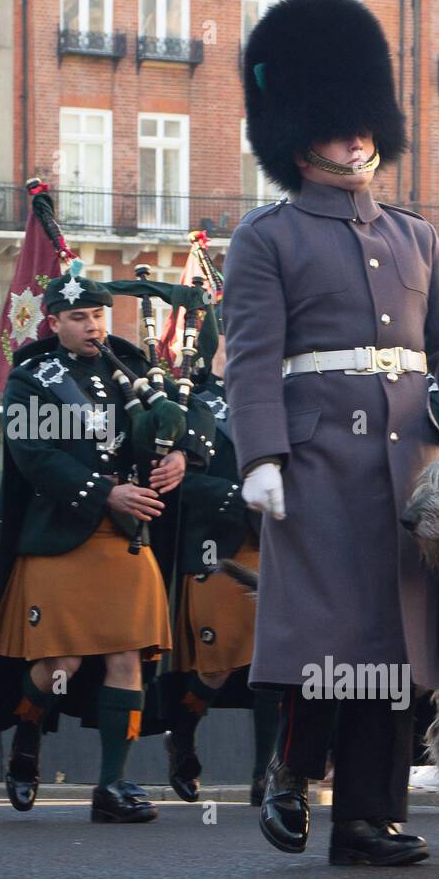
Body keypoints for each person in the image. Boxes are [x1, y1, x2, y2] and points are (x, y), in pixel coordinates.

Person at [230, 0, 439, 865]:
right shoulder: (267, 238)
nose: (355, 142)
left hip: (411, 468)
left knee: (400, 643)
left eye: (362, 127)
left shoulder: (415, 236)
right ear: (301, 137)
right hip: (318, 465)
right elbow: (252, 357)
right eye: (337, 129)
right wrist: (260, 455)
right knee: (330, 639)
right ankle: (293, 768)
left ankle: (367, 816)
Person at [0, 272, 200, 823]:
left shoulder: (132, 367)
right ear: (54, 323)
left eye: (97, 316)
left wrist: (180, 455)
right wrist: (106, 492)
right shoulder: (30, 379)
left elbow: (177, 423)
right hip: (60, 534)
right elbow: (33, 456)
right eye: (77, 318)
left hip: (125, 537)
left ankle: (113, 785)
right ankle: (27, 733)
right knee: (58, 662)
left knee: (127, 654)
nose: (92, 327)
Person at [151, 306, 282, 806]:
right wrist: (240, 495)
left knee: (274, 667)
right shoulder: (190, 404)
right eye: (234, 341)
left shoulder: (277, 401)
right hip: (214, 549)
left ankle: (265, 777)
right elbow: (177, 483)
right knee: (216, 666)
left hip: (272, 544)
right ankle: (182, 733)